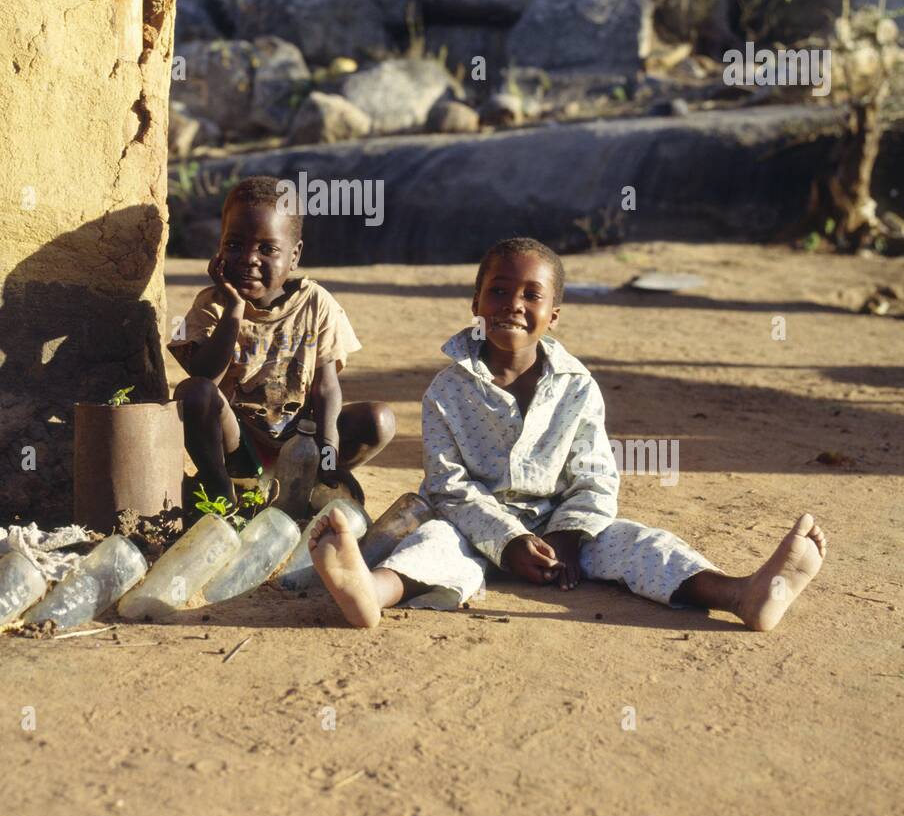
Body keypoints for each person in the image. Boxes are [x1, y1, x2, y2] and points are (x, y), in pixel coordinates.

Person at [308, 235, 827, 630]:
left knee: (641, 544)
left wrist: (569, 536)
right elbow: (448, 487)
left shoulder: (578, 388)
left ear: (551, 316)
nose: (513, 302)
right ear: (476, 303)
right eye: (499, 290)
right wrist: (507, 541)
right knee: (433, 545)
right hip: (470, 528)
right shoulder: (445, 391)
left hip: (565, 534)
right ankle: (370, 592)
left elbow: (596, 475)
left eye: (531, 295)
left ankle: (741, 594)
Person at [169, 176, 395, 513]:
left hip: (302, 442)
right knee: (193, 393)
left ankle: (315, 479)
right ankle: (222, 491)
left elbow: (326, 388)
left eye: (267, 249)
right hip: (238, 445)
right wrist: (234, 309)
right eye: (234, 245)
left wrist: (329, 449)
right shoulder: (213, 305)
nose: (248, 258)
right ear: (219, 247)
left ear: (294, 255)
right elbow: (204, 378)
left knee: (379, 419)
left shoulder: (316, 303)